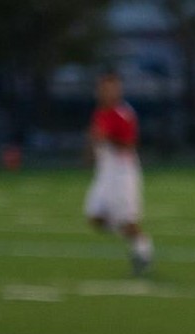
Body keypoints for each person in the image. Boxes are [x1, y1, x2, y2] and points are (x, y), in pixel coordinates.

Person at [85, 72, 154, 275]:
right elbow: (94, 139)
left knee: (129, 221)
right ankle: (134, 239)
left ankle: (143, 248)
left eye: (111, 88)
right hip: (105, 171)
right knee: (95, 218)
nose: (106, 92)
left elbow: (130, 144)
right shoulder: (100, 112)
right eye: (103, 88)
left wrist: (109, 138)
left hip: (122, 173)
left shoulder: (123, 113)